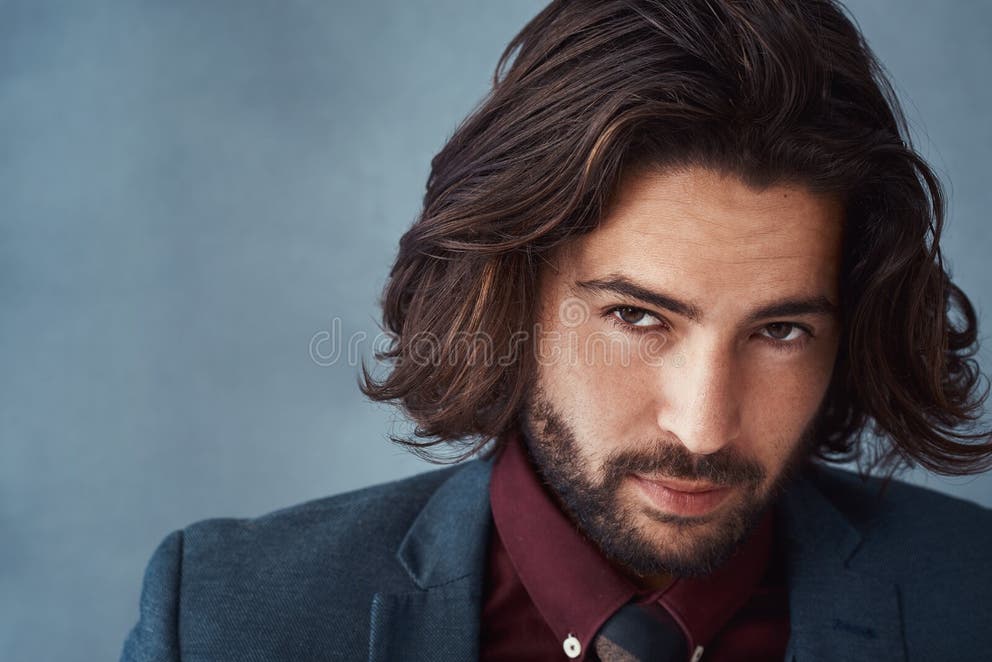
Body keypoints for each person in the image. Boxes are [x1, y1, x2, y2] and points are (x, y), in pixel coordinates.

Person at [121, 1, 992, 660]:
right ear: (509, 297)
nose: (703, 428)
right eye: (636, 317)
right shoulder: (231, 620)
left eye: (781, 332)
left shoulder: (973, 597)